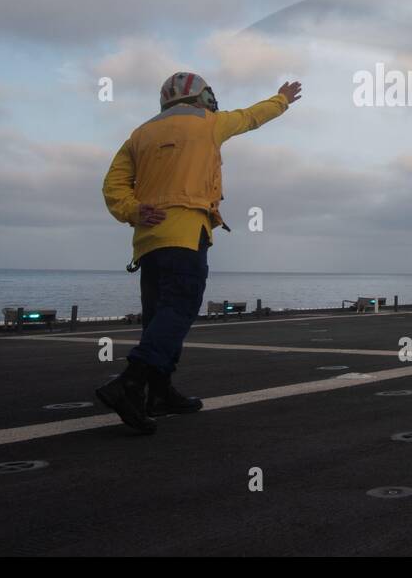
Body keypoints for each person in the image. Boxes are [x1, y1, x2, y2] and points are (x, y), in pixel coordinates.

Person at [96, 71, 301, 433]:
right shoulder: (209, 123)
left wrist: (133, 210)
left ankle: (159, 392)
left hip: (148, 239)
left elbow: (113, 185)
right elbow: (252, 116)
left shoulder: (139, 134)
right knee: (179, 310)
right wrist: (281, 98)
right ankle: (130, 383)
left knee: (158, 317)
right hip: (187, 232)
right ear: (201, 96)